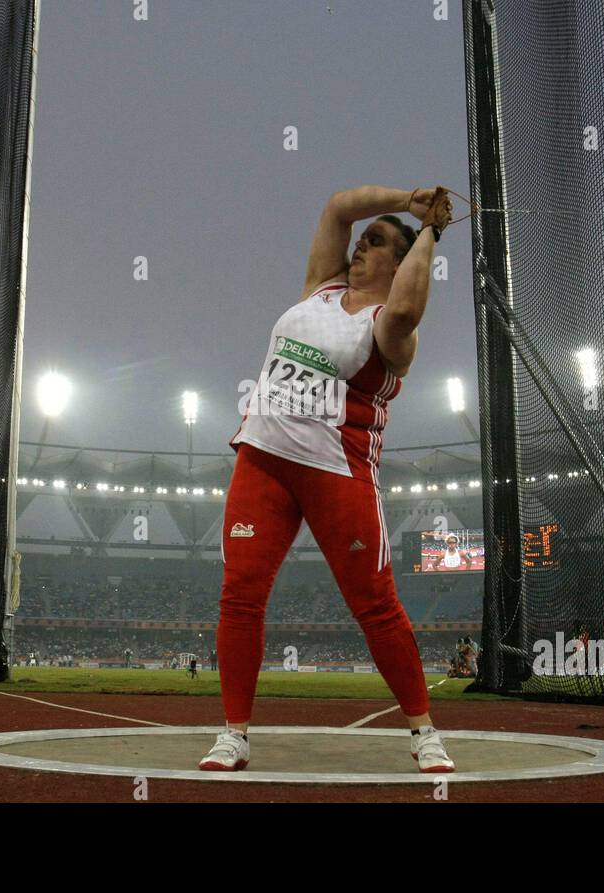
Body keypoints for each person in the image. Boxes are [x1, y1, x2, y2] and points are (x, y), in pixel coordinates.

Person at [199, 184, 457, 773]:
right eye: (361, 241)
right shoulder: (321, 288)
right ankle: (233, 734)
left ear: (399, 261)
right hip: (261, 459)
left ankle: (423, 730)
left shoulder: (389, 327)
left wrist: (429, 234)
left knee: (375, 605)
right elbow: (338, 207)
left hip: (335, 472)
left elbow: (411, 307)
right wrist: (408, 198)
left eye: (375, 243)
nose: (360, 246)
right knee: (240, 596)